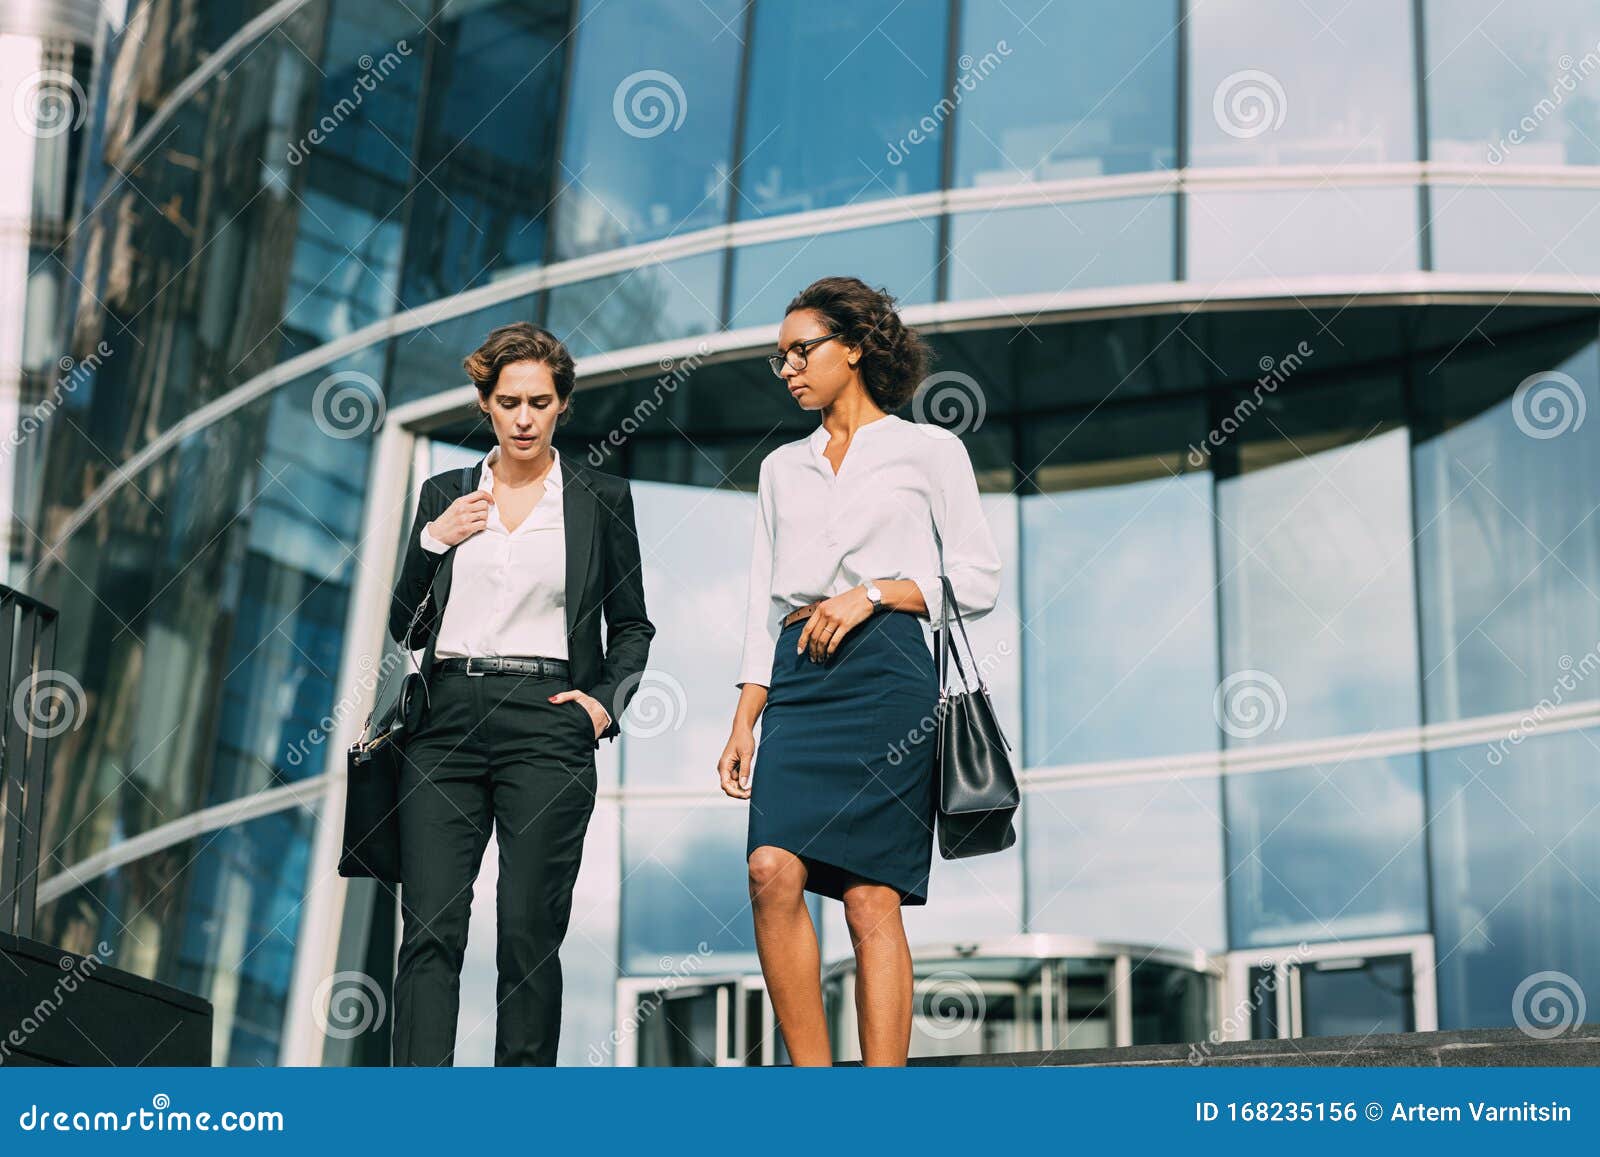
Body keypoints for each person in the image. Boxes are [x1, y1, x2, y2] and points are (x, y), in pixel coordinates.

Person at [718, 276, 1002, 1065]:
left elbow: (978, 580)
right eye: (778, 359)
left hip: (887, 674)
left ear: (854, 347)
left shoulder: (930, 449)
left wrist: (873, 594)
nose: (787, 370)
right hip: (798, 680)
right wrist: (746, 717)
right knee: (770, 868)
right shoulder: (781, 468)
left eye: (800, 351)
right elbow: (757, 602)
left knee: (871, 897)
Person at [387, 322, 653, 1065]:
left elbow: (633, 626)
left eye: (540, 401)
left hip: (548, 720)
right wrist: (432, 541)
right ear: (485, 403)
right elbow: (402, 628)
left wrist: (604, 704)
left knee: (529, 929)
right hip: (443, 719)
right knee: (431, 927)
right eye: (509, 402)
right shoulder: (445, 495)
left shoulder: (601, 498)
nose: (525, 417)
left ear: (563, 404)